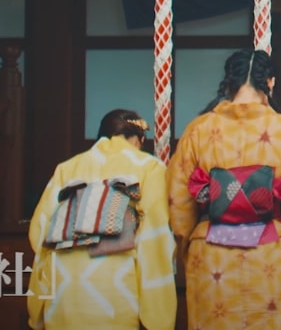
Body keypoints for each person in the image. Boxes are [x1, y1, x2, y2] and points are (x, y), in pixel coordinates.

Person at [167, 49, 281, 330]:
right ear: (271, 82)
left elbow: (177, 199)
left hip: (211, 251)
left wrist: (189, 240)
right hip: (267, 249)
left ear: (229, 81)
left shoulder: (199, 129)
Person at [26, 109, 176, 330]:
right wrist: (159, 318)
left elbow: (39, 232)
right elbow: (155, 239)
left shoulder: (67, 169)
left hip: (64, 292)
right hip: (114, 293)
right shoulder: (149, 167)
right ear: (138, 140)